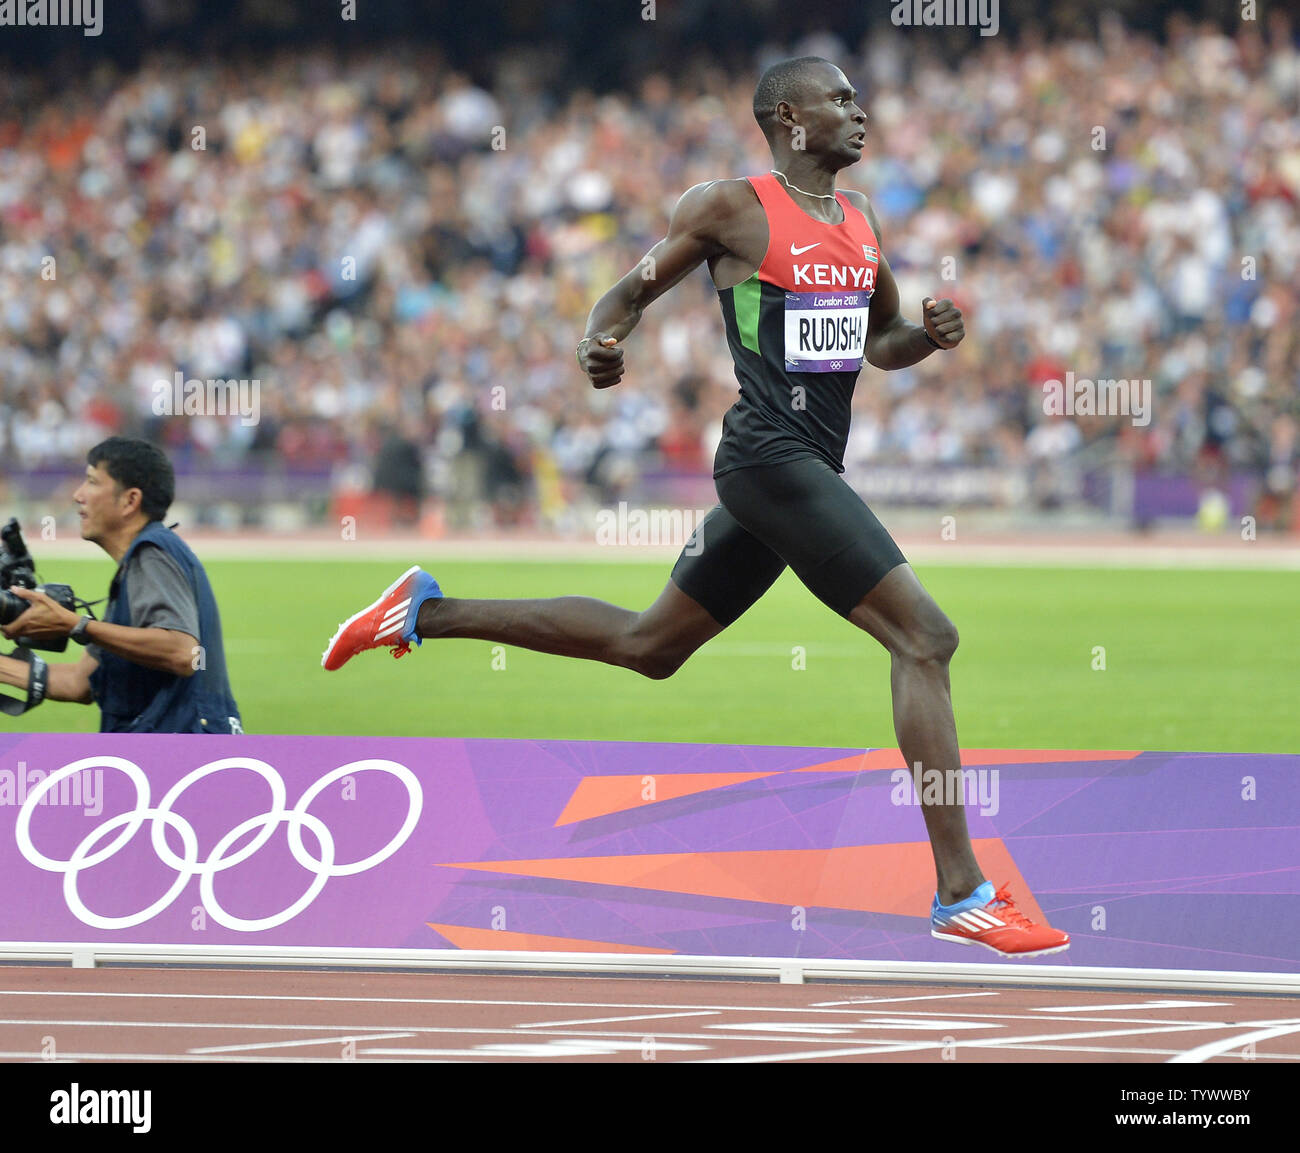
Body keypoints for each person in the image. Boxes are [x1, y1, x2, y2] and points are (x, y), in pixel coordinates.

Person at [323, 57, 1067, 957]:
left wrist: (930, 337)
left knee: (651, 646)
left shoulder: (863, 218)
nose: (860, 111)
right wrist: (600, 343)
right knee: (926, 637)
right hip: (767, 458)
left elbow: (881, 344)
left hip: (801, 468)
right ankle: (961, 891)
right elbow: (625, 294)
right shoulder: (730, 209)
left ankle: (422, 611)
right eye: (840, 99)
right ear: (790, 117)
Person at [0, 437, 243, 734]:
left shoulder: (151, 552)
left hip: (179, 751)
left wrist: (76, 625)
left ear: (130, 500)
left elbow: (184, 653)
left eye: (92, 482)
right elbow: (77, 683)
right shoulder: (141, 563)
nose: (77, 495)